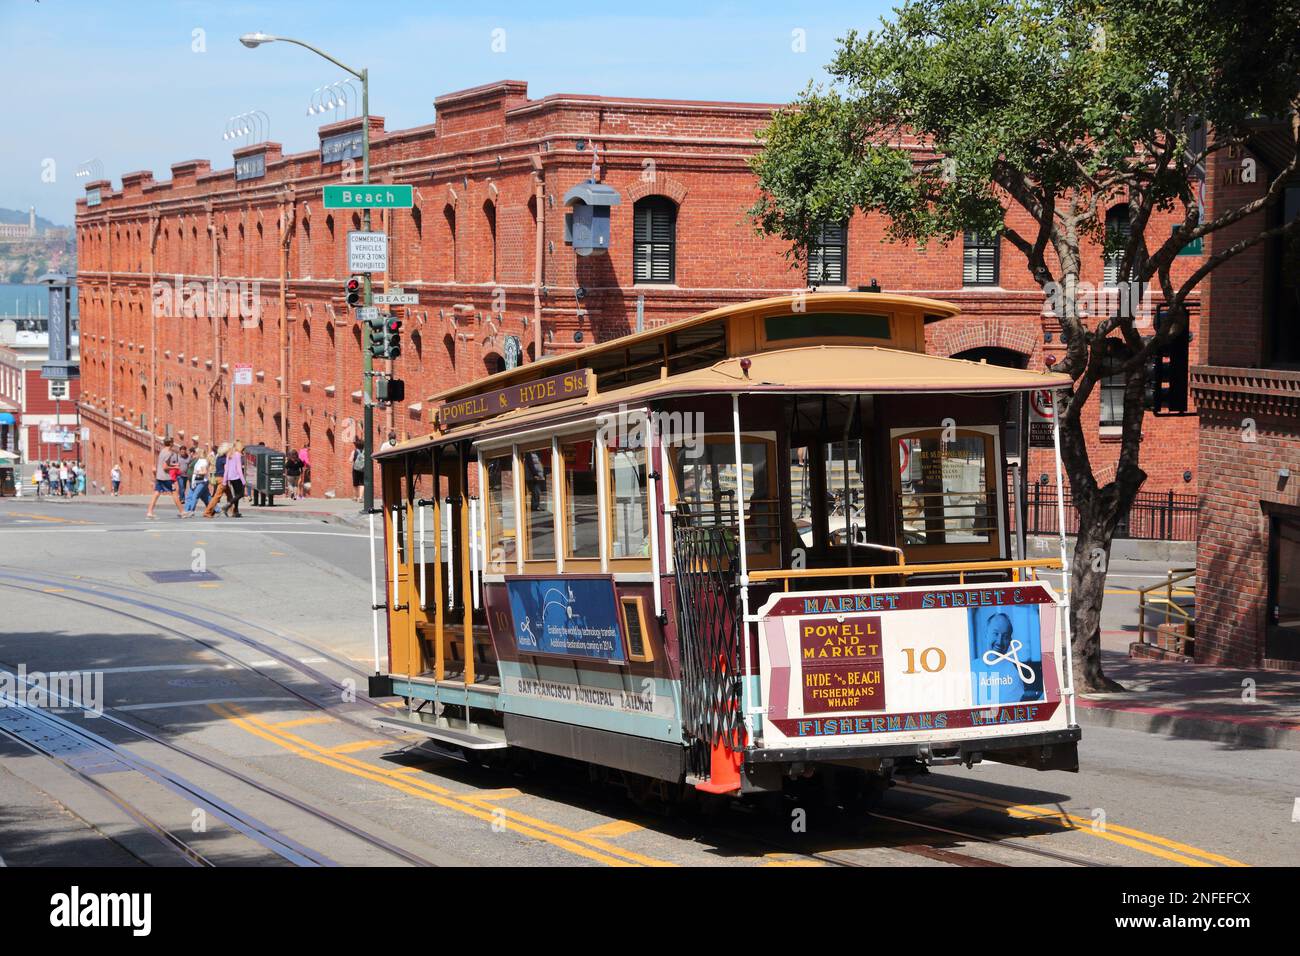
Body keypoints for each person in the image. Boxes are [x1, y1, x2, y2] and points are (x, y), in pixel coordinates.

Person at [146, 438, 184, 519]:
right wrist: (175, 468)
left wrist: (173, 465)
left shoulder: (162, 451)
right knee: (174, 493)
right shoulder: (169, 453)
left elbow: (163, 464)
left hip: (159, 476)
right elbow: (165, 467)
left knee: (156, 494)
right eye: (172, 443)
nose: (173, 444)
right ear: (171, 444)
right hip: (166, 477)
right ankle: (182, 512)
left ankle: (149, 512)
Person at [204, 443, 229, 518]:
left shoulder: (218, 457)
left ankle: (234, 511)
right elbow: (226, 469)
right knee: (216, 497)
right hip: (222, 478)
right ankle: (207, 512)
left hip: (218, 477)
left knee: (230, 496)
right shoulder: (224, 459)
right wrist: (226, 479)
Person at [222, 440, 246, 518]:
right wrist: (243, 480)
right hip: (237, 477)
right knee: (240, 494)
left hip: (231, 477)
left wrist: (225, 480)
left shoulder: (229, 454)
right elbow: (239, 469)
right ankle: (228, 505)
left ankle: (235, 511)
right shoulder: (238, 455)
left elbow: (226, 468)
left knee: (236, 494)